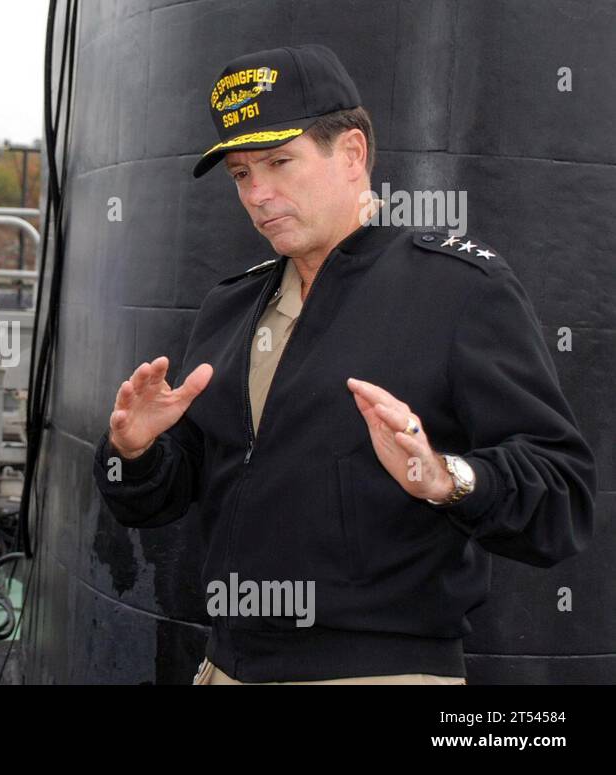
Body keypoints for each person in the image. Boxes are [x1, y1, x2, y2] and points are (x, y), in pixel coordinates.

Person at [92, 45, 596, 684]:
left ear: (352, 154)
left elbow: (563, 497)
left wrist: (447, 478)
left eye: (279, 161)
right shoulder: (231, 305)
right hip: (225, 667)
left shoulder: (458, 290)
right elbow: (166, 496)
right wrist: (134, 454)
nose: (259, 193)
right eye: (242, 174)